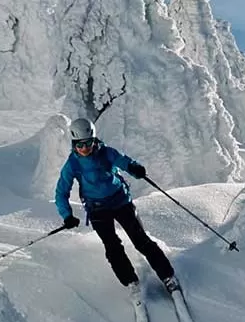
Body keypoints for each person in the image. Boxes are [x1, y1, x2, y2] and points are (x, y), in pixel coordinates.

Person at [54, 117, 179, 304]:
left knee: (141, 240)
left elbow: (124, 161)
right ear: (74, 144)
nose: (85, 148)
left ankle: (168, 276)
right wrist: (67, 215)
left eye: (88, 143)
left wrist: (134, 168)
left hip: (121, 202)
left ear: (94, 140)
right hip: (97, 210)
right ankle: (131, 282)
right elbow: (61, 192)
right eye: (80, 145)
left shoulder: (106, 153)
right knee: (112, 247)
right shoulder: (72, 164)